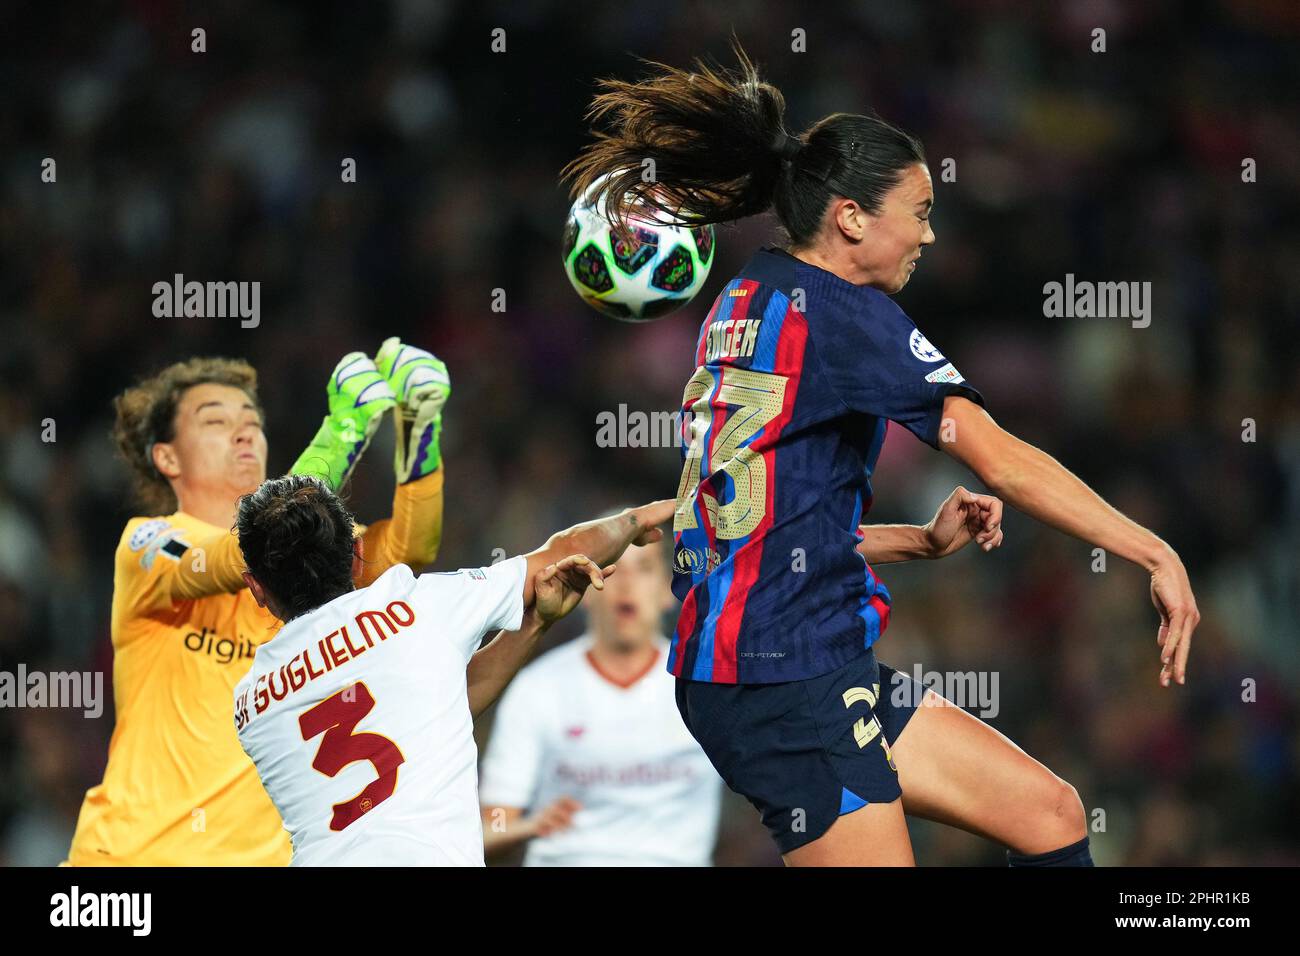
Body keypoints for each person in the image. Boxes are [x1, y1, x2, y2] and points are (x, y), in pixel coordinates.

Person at [561, 40, 1200, 866]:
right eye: (922, 210)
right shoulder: (846, 317)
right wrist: (1153, 551)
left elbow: (754, 517)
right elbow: (999, 458)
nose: (930, 235)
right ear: (853, 218)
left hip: (792, 659)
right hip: (780, 680)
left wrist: (919, 541)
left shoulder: (748, 295)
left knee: (1052, 817)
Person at [67, 339, 450, 866]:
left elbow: (408, 551)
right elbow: (238, 550)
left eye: (251, 418)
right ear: (167, 457)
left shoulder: (305, 568)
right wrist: (342, 432)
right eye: (214, 421)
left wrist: (419, 430)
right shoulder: (150, 544)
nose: (244, 429)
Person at [233, 476, 674, 865]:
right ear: (357, 552)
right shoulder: (413, 607)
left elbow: (437, 712)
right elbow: (562, 553)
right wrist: (633, 522)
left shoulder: (250, 706)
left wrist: (537, 622)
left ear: (256, 588)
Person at [478, 534, 722, 867]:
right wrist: (527, 827)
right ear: (586, 590)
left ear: (669, 590)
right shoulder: (539, 687)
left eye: (644, 568)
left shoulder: (706, 685)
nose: (627, 584)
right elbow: (489, 828)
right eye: (611, 570)